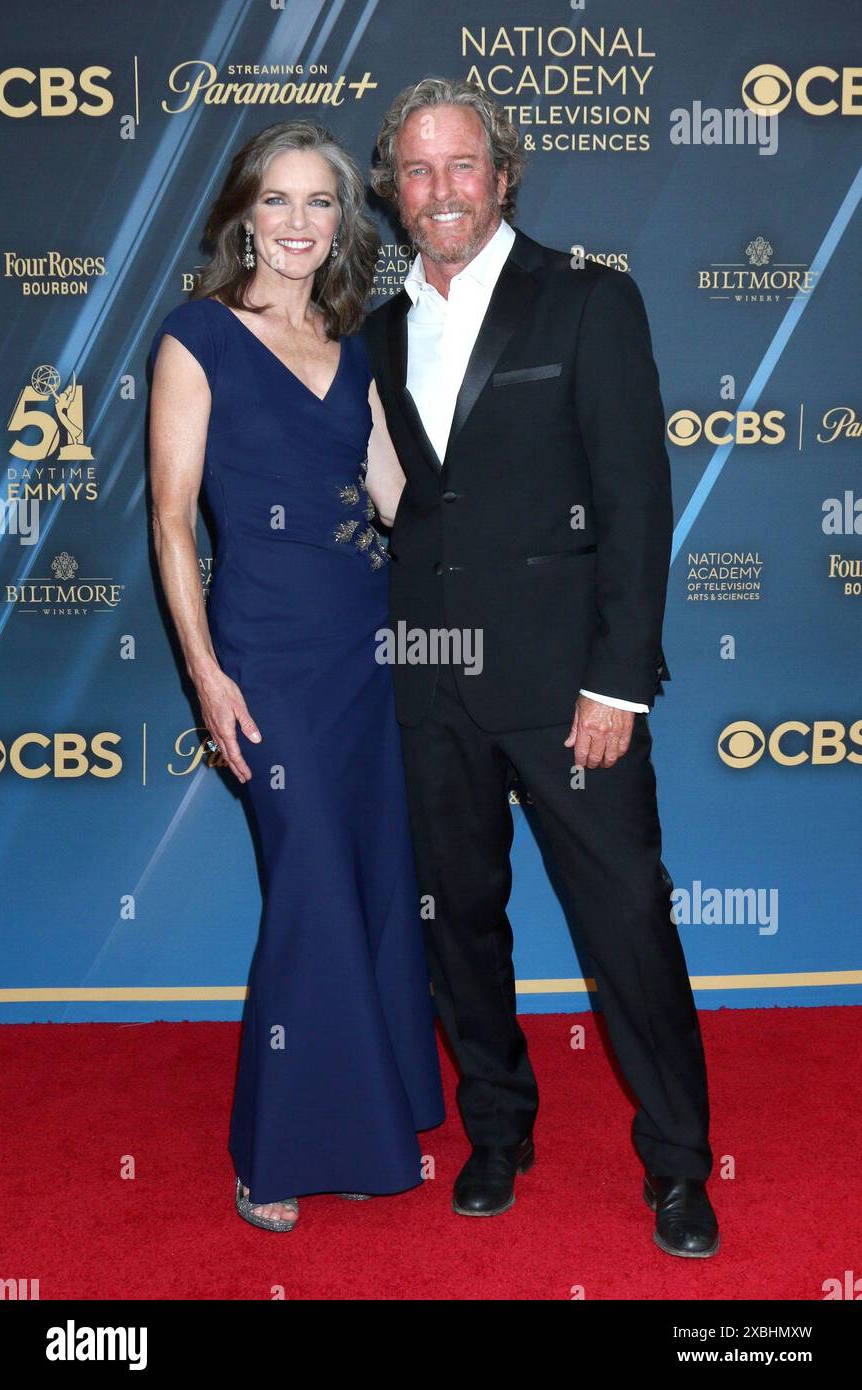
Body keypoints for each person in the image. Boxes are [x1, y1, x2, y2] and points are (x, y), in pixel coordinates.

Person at [363, 77, 719, 1257]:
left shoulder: (584, 300)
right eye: (415, 172)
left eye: (459, 165)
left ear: (502, 174)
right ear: (392, 192)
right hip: (430, 684)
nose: (439, 190)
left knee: (625, 924)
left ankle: (677, 1160)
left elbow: (633, 499)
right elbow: (401, 509)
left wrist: (616, 681)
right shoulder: (374, 329)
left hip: (574, 696)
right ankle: (496, 1131)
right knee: (457, 927)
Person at [148, 119, 444, 1234]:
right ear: (243, 216)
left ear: (341, 220)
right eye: (276, 201)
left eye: (319, 202)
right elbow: (172, 522)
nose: (297, 224)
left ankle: (393, 1099)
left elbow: (395, 501)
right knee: (312, 883)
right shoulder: (197, 337)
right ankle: (276, 1148)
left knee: (368, 874)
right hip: (265, 654)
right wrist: (207, 676)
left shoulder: (349, 342)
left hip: (365, 648)